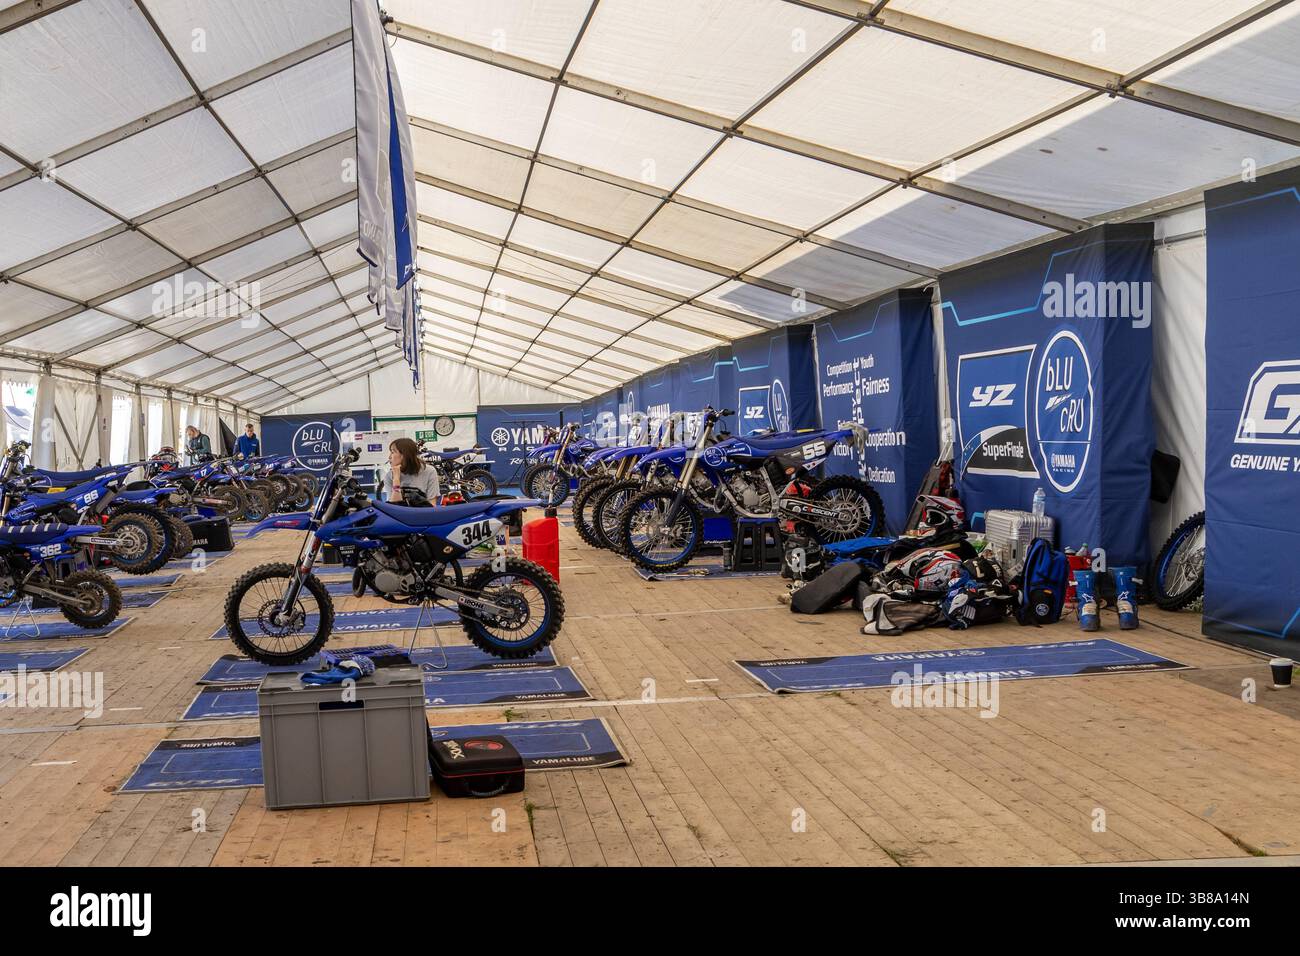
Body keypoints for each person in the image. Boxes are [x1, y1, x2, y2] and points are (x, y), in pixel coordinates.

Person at [383, 437, 439, 505]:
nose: (389, 457)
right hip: (399, 515)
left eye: (392, 452)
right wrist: (396, 480)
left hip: (423, 513)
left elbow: (432, 503)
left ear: (404, 454)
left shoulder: (429, 471)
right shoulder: (389, 475)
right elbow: (392, 506)